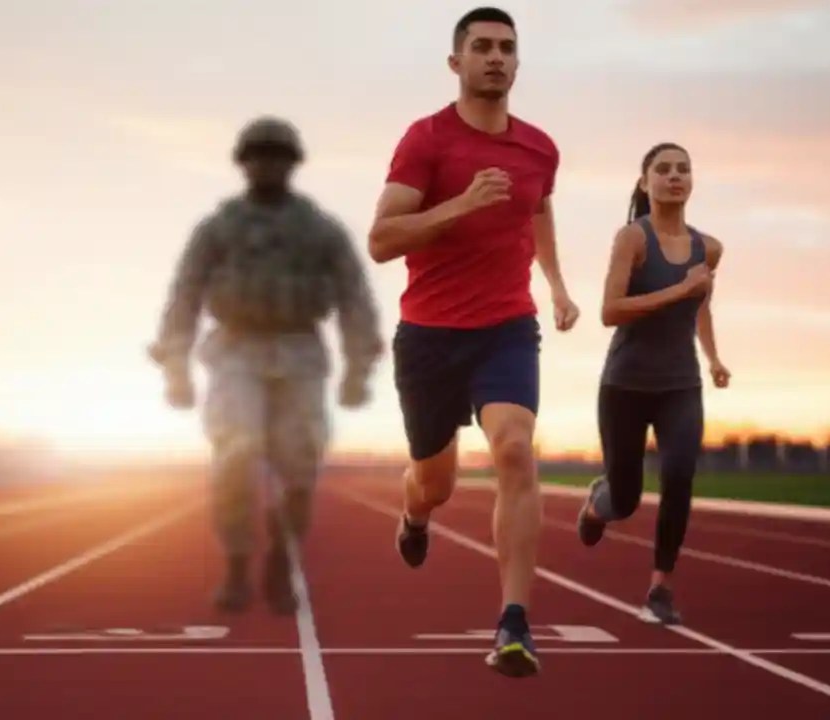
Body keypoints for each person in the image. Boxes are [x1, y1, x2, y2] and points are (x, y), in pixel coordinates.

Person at [366, 7, 579, 678]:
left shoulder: (540, 148)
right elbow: (380, 241)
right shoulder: (426, 140)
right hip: (429, 336)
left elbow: (538, 209)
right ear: (456, 63)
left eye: (506, 48)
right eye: (481, 47)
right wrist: (460, 205)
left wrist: (557, 283)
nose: (495, 57)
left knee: (515, 449)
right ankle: (413, 512)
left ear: (518, 64)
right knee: (436, 483)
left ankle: (514, 622)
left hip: (506, 330)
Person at [148, 116, 384, 616]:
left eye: (278, 156)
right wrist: (175, 364)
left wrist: (358, 366)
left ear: (292, 164)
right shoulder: (219, 229)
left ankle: (280, 559)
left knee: (300, 465)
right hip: (236, 351)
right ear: (244, 163)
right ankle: (236, 564)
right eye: (258, 155)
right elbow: (184, 295)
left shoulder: (320, 230)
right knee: (235, 453)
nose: (268, 164)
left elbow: (353, 297)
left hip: (300, 352)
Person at [575, 141, 729, 626]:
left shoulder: (710, 249)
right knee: (625, 498)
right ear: (646, 183)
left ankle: (660, 587)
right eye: (663, 169)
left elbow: (700, 305)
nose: (674, 176)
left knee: (680, 475)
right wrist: (679, 288)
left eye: (683, 169)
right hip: (625, 384)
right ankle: (599, 505)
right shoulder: (632, 239)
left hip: (680, 384)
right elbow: (609, 311)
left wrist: (713, 357)